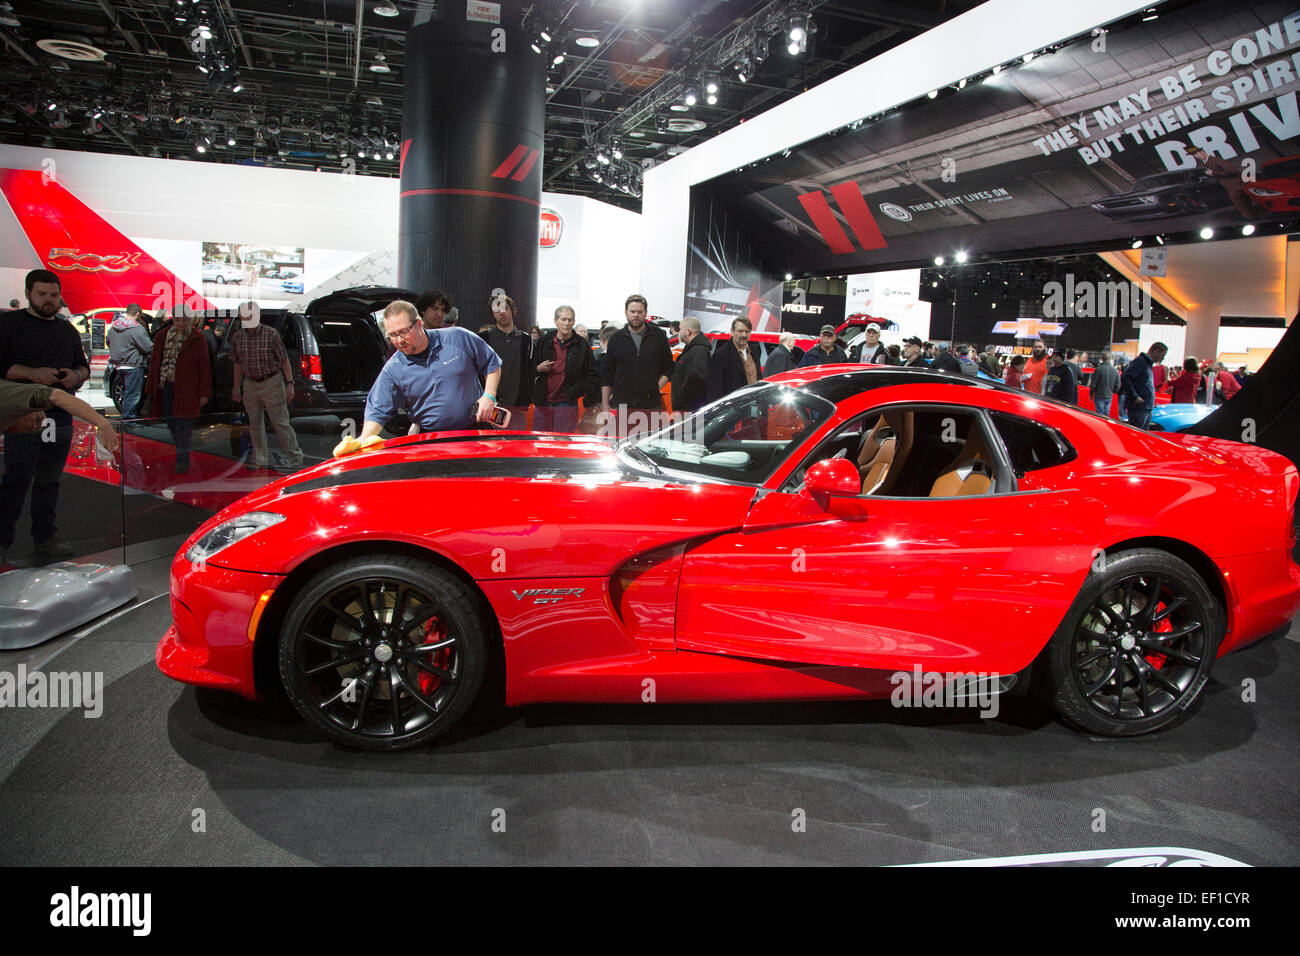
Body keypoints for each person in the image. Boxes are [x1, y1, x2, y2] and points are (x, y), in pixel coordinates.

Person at [0, 269, 92, 561]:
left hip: (60, 415)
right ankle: (2, 540)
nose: (49, 301)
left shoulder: (66, 329)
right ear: (28, 293)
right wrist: (33, 374)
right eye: (42, 294)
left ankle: (44, 537)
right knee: (17, 477)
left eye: (54, 295)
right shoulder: (9, 323)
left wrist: (75, 376)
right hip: (22, 413)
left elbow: (83, 366)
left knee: (50, 479)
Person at [356, 300, 502, 441]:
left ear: (419, 324)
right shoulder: (393, 369)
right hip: (429, 439)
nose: (399, 340)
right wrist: (363, 439)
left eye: (404, 332)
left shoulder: (458, 338)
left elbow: (492, 363)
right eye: (393, 335)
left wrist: (489, 395)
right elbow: (377, 411)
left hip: (474, 430)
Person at [228, 301, 304, 472]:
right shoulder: (238, 337)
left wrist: (290, 384)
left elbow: (285, 361)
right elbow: (237, 364)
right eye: (244, 316)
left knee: (280, 423)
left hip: (272, 382)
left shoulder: (271, 334)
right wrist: (236, 387)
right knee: (254, 424)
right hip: (250, 384)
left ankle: (295, 458)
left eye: (250, 315)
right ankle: (260, 457)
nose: (247, 319)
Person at [145, 304, 211, 473]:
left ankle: (183, 460)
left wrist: (204, 393)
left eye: (184, 320)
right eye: (177, 320)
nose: (181, 324)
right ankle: (182, 452)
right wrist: (151, 386)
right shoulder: (162, 336)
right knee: (170, 421)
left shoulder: (197, 337)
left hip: (188, 387)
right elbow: (155, 363)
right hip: (166, 385)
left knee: (185, 424)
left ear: (190, 320)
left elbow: (204, 366)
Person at [600, 294, 672, 431]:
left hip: (650, 405)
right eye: (632, 312)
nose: (636, 315)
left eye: (640, 312)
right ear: (626, 312)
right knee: (617, 445)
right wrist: (604, 403)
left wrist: (656, 387)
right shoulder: (616, 338)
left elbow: (668, 367)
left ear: (645, 313)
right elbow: (607, 373)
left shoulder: (659, 336)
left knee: (649, 448)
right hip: (621, 405)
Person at [532, 305, 596, 433]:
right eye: (563, 319)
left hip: (567, 404)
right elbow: (529, 368)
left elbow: (592, 375)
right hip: (543, 402)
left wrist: (576, 391)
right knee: (540, 442)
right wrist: (537, 369)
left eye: (570, 320)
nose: (567, 323)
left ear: (574, 321)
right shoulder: (544, 341)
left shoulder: (582, 345)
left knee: (563, 442)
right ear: (556, 321)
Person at [479, 292, 535, 425]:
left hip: (518, 408)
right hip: (490, 406)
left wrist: (526, 401)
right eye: (496, 310)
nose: (501, 313)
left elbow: (530, 372)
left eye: (505, 308)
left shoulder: (527, 339)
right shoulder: (484, 338)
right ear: (493, 314)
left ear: (512, 310)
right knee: (490, 445)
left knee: (517, 444)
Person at [107, 302, 153, 419]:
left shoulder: (114, 327)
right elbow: (148, 347)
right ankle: (129, 420)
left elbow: (109, 342)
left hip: (119, 365)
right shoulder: (136, 329)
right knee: (132, 395)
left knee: (127, 393)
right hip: (133, 365)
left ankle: (126, 419)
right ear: (138, 314)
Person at [1188, 147, 1256, 219]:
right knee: (1246, 208)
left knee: (1244, 208)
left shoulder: (1216, 160)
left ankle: (1252, 221)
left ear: (1202, 152)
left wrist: (1214, 173)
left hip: (1236, 187)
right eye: (1194, 155)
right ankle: (1252, 220)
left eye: (1196, 154)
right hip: (1232, 188)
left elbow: (1233, 170)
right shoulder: (1208, 162)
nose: (1195, 156)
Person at [707, 316, 763, 402]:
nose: (744, 335)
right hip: (734, 407)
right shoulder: (720, 355)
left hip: (754, 403)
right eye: (740, 331)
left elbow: (758, 377)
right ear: (732, 331)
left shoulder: (755, 351)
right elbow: (715, 391)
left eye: (747, 331)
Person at [1119, 341, 1168, 429]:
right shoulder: (1141, 362)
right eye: (1162, 355)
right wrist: (1135, 397)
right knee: (1137, 436)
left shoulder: (1145, 363)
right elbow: (1125, 378)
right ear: (1156, 351)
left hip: (1144, 407)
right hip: (1140, 408)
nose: (1162, 358)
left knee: (1140, 435)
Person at [671, 316, 711, 412]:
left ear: (688, 331)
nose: (679, 333)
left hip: (689, 410)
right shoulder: (692, 350)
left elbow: (696, 381)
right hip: (687, 409)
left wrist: (683, 400)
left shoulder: (697, 352)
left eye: (680, 329)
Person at [1088, 352, 1119, 417]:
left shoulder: (1098, 369)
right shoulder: (1115, 371)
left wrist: (1091, 393)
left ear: (1102, 359)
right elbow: (1118, 385)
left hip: (1099, 395)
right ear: (1111, 359)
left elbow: (1093, 384)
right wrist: (1113, 391)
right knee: (1106, 413)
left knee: (1099, 414)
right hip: (1109, 395)